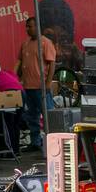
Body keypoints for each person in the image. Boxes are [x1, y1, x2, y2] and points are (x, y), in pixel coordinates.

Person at [14, 16, 56, 152]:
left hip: (41, 87)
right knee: (32, 117)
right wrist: (14, 78)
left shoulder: (45, 43)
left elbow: (52, 63)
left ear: (38, 27)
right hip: (28, 87)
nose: (28, 29)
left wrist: (48, 83)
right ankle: (35, 142)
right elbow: (20, 63)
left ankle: (53, 142)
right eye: (26, 26)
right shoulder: (25, 44)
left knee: (48, 115)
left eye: (30, 26)